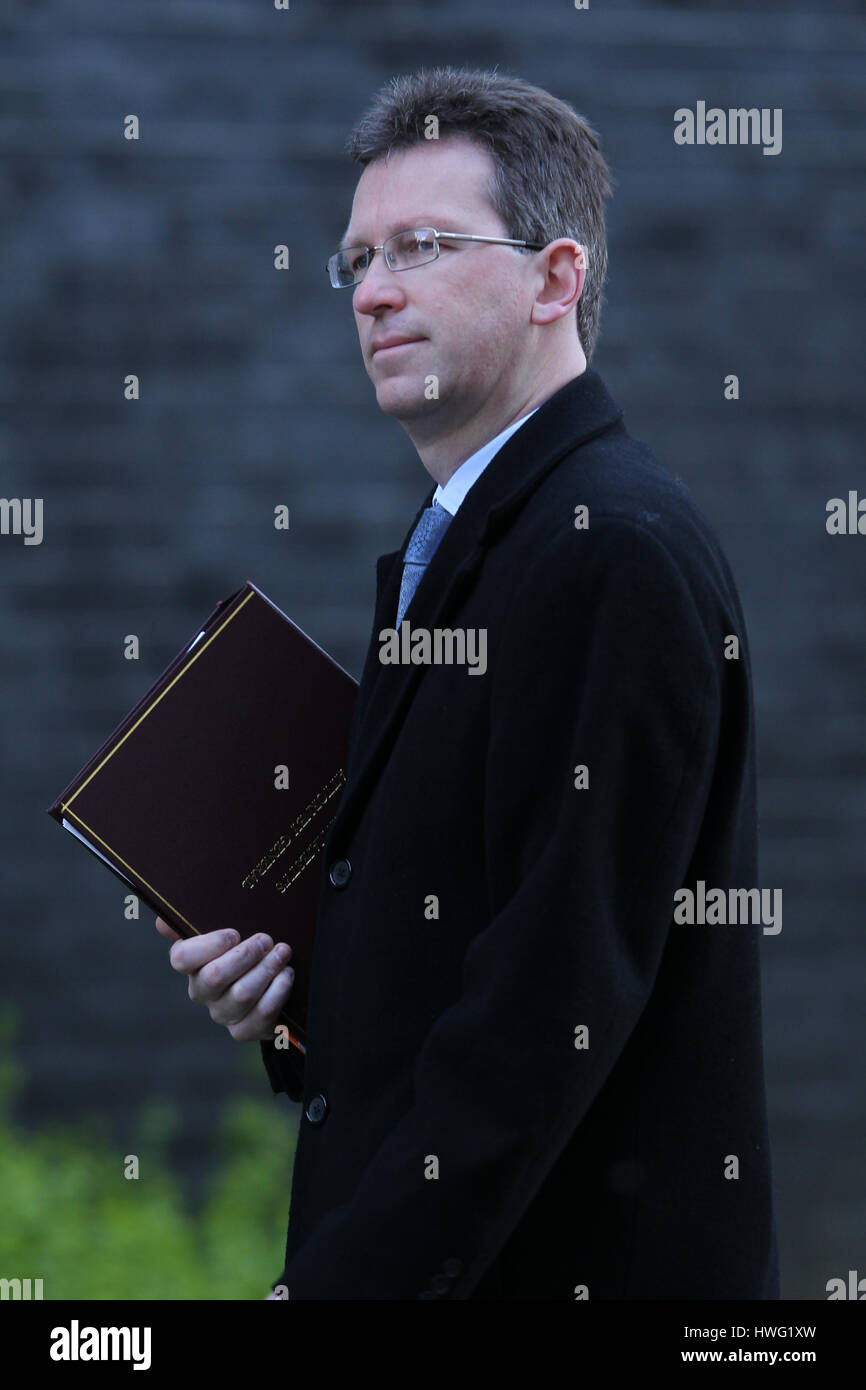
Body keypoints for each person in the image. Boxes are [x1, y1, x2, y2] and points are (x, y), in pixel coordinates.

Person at [157, 66, 780, 1300]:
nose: (373, 290)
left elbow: (550, 1006)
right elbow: (465, 954)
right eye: (357, 260)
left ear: (557, 277)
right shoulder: (481, 541)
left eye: (423, 246)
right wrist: (297, 1005)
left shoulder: (610, 552)